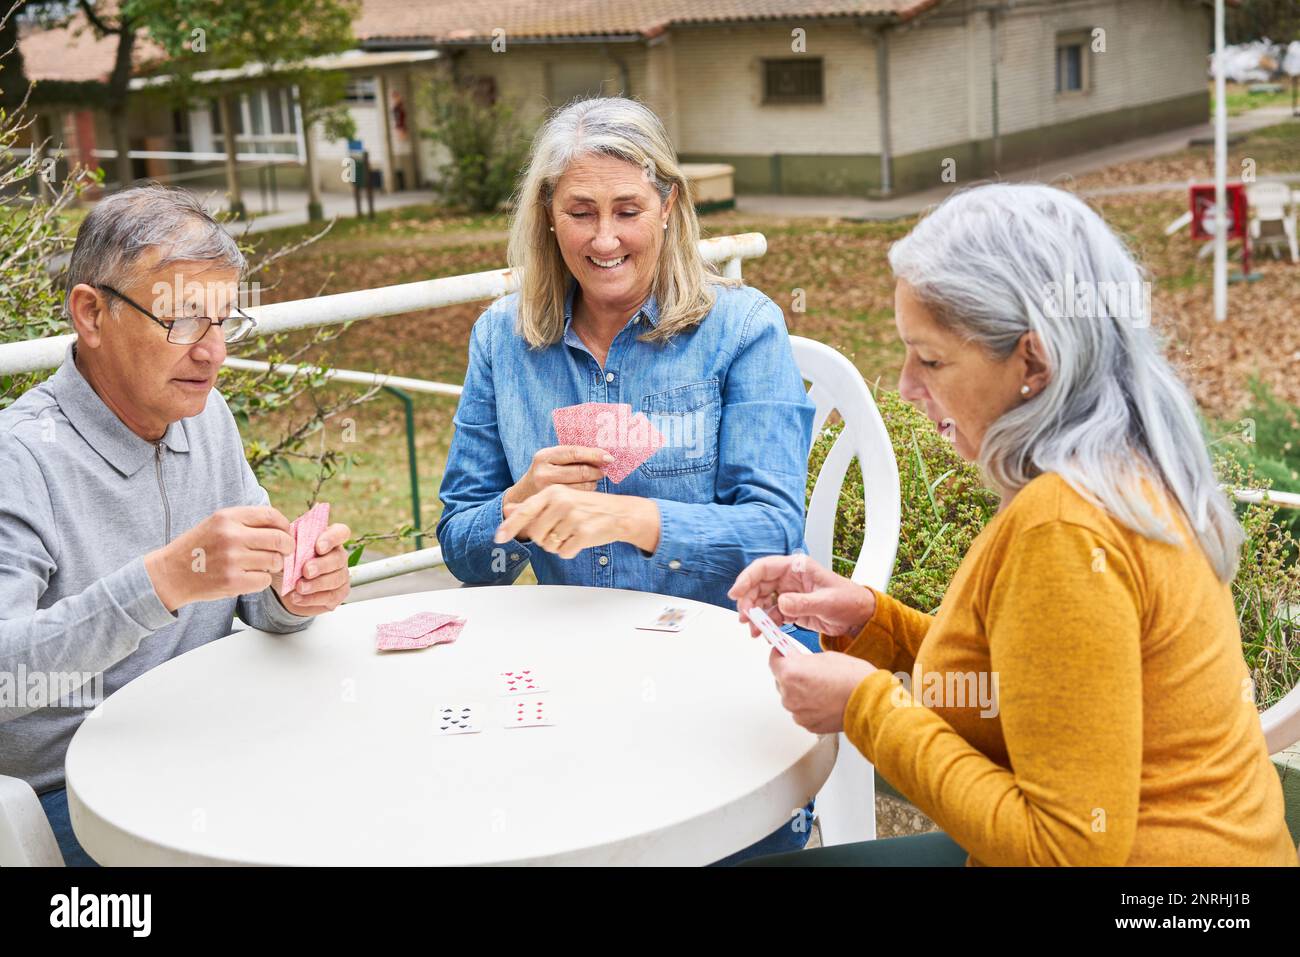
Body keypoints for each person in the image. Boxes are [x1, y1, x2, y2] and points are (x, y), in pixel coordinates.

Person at [730, 183, 1299, 866]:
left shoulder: (1064, 528)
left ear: (1033, 361)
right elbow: (1035, 686)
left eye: (932, 358)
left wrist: (868, 707)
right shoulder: (1117, 468)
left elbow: (1066, 853)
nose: (907, 385)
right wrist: (870, 623)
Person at [435, 97, 817, 861]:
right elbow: (463, 548)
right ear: (548, 215)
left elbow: (775, 531)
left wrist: (636, 519)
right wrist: (514, 507)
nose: (604, 238)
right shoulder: (502, 340)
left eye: (627, 210)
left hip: (724, 670)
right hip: (575, 674)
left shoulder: (743, 328)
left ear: (668, 207)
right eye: (580, 211)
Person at [0, 184, 353, 866]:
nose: (213, 353)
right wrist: (162, 580)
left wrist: (292, 591)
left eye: (224, 320)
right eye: (183, 319)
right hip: (72, 796)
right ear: (90, 314)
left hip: (213, 747)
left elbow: (258, 599)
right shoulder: (20, 458)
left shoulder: (205, 416)